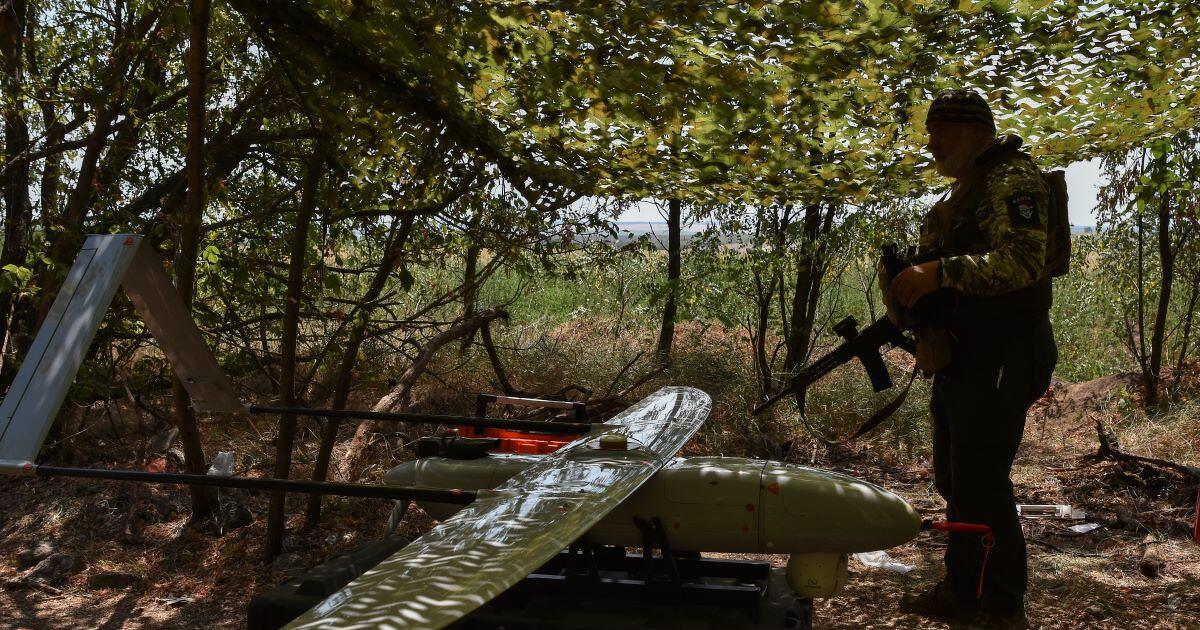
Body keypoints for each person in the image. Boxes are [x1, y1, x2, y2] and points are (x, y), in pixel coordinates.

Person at [888, 90, 1058, 630]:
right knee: (955, 481)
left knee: (982, 482)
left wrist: (940, 273)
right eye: (930, 131)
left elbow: (1023, 261)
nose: (932, 143)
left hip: (1004, 352)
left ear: (976, 133)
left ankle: (1003, 608)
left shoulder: (1013, 179)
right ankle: (963, 592)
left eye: (942, 132)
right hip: (965, 355)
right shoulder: (964, 191)